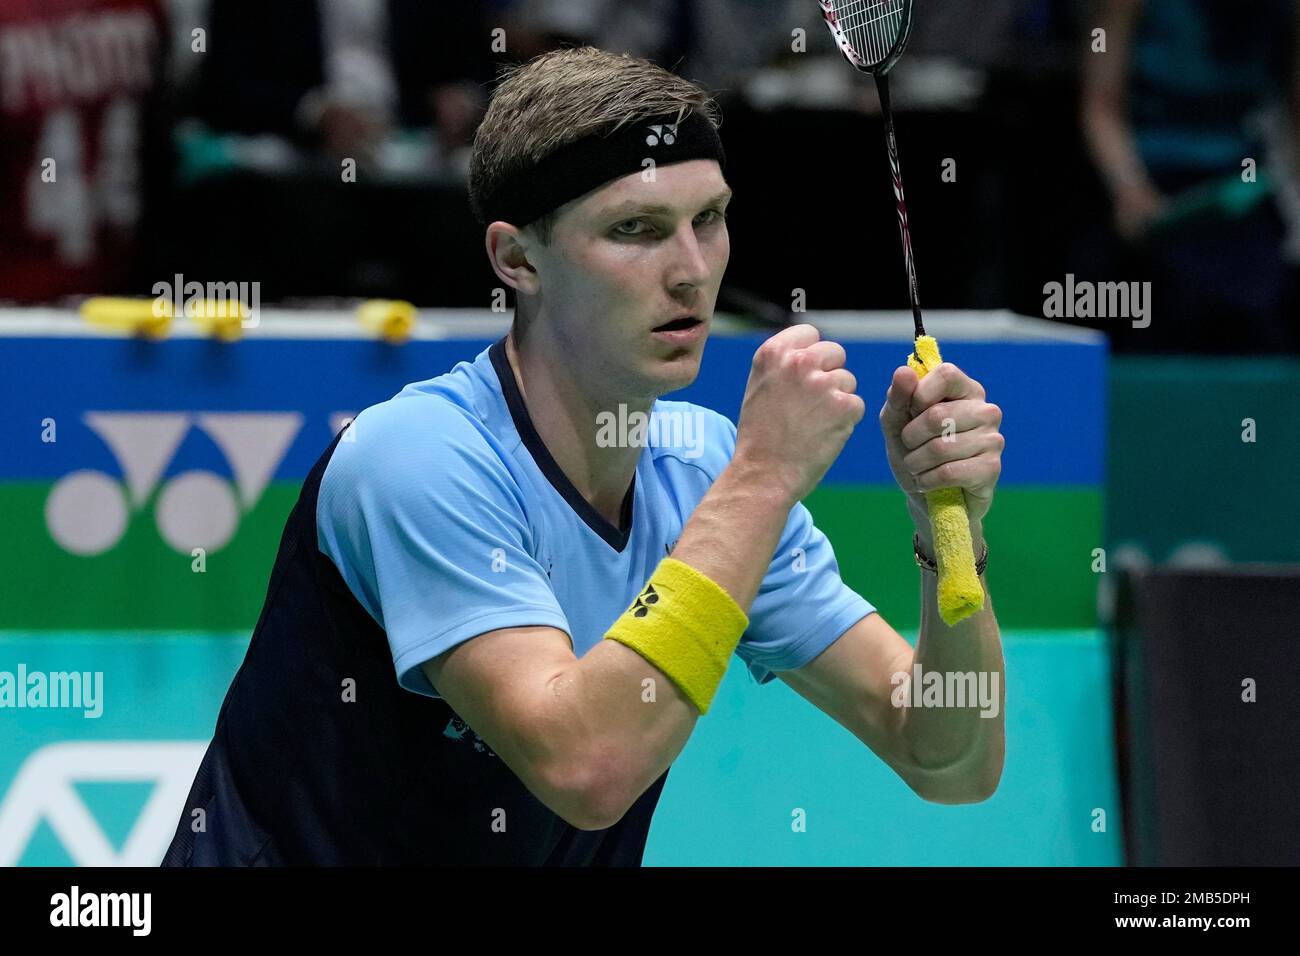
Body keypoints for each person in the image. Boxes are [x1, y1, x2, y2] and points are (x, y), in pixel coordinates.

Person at [161, 46, 1006, 867]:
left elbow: (948, 758)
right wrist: (764, 477)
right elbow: (584, 767)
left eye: (708, 220)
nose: (690, 272)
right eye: (634, 230)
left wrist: (948, 529)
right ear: (517, 259)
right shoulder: (418, 458)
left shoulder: (705, 468)